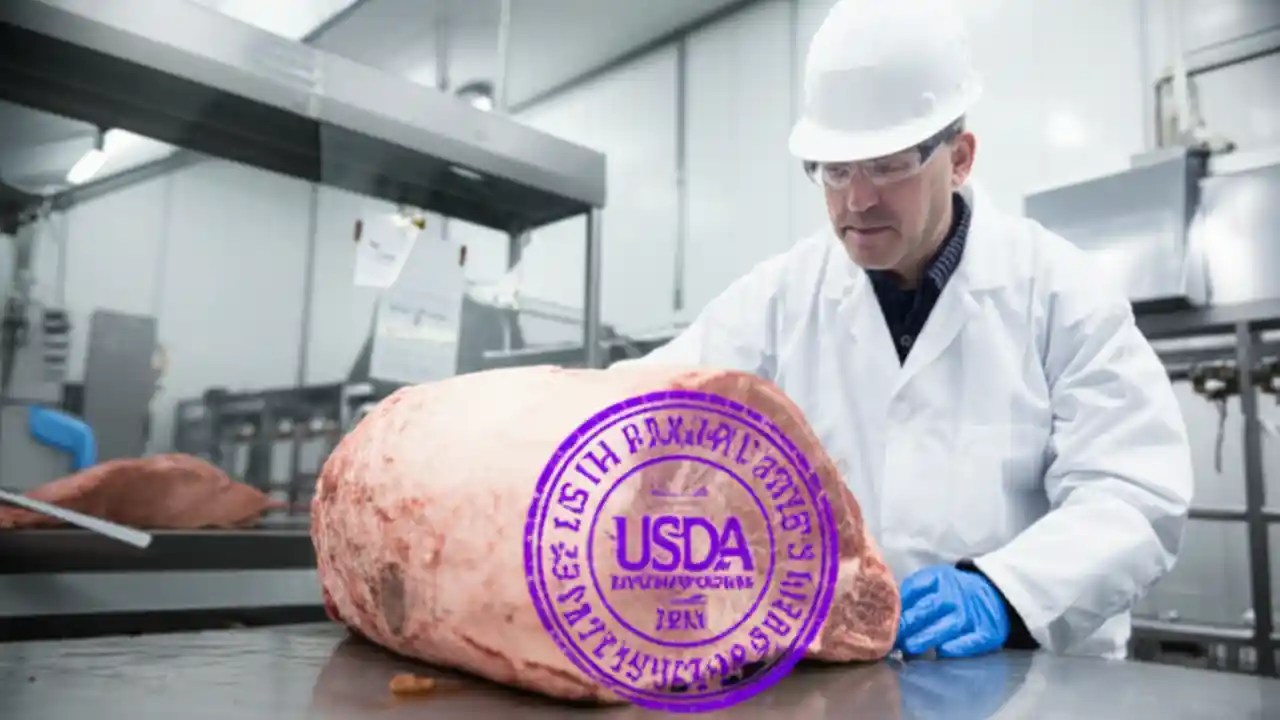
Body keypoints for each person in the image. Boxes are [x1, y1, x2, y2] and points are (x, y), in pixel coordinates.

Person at [624, 0, 1193, 660]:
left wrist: (1006, 592)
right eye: (834, 170)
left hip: (1030, 679)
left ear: (959, 159)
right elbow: (643, 402)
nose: (856, 200)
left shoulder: (1060, 290)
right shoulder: (780, 299)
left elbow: (1135, 492)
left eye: (889, 164)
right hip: (845, 682)